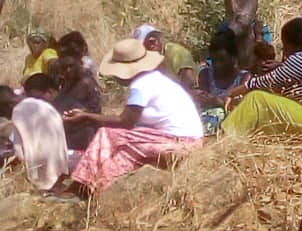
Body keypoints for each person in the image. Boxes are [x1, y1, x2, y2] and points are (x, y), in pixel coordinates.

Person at [64, 38, 203, 192]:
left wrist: (86, 116)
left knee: (108, 135)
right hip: (189, 139)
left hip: (180, 141)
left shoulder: (141, 86)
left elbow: (125, 122)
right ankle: (92, 185)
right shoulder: (155, 79)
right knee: (120, 146)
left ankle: (86, 185)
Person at [222, 17, 302, 135]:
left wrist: (231, 93)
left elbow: (262, 82)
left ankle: (225, 137)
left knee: (256, 99)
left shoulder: (301, 59)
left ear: (289, 43)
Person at [0, 74, 69, 191]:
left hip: (42, 172)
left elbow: (19, 153)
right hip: (60, 165)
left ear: (6, 106)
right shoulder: (39, 104)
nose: (6, 116)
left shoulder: (19, 110)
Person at [195, 31, 249, 135]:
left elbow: (240, 108)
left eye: (222, 60)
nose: (217, 65)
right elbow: (203, 103)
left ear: (233, 58)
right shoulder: (205, 74)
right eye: (214, 61)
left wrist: (219, 102)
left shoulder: (244, 78)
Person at [54, 52, 103, 150]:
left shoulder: (85, 83)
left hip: (84, 133)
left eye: (71, 66)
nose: (68, 70)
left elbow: (95, 113)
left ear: (79, 63)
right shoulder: (64, 82)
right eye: (64, 67)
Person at [131, 24, 197, 90]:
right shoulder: (144, 62)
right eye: (145, 45)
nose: (152, 45)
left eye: (152, 41)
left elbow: (188, 80)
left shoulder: (175, 52)